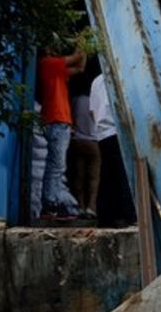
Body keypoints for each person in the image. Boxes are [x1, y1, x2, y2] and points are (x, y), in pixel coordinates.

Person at [38, 46, 87, 219]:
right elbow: (76, 58)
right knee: (56, 166)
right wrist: (83, 43)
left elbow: (80, 67)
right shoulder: (47, 63)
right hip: (56, 120)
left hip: (60, 121)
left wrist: (83, 50)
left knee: (57, 166)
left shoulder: (56, 70)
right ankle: (50, 204)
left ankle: (55, 203)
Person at [90, 74, 137, 227]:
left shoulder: (96, 81)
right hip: (117, 131)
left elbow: (92, 111)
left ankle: (106, 217)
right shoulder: (120, 75)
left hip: (102, 133)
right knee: (122, 174)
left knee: (107, 175)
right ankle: (128, 215)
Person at [69, 91, 100, 219]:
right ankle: (91, 207)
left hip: (78, 140)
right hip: (93, 141)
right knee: (94, 177)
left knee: (79, 175)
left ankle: (80, 206)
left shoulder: (76, 100)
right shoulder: (96, 99)